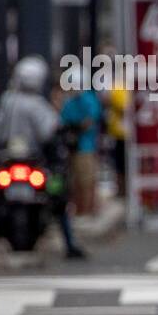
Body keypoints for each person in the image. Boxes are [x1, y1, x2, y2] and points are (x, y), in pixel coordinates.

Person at [0, 55, 87, 259]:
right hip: (22, 159)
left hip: (14, 159)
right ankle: (69, 241)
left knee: (55, 190)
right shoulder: (35, 104)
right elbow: (51, 130)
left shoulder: (8, 101)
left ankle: (69, 240)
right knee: (58, 193)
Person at [59, 75, 102, 217]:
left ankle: (87, 210)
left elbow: (90, 121)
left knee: (86, 180)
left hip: (85, 147)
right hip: (72, 147)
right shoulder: (70, 101)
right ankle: (79, 210)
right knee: (74, 181)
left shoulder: (88, 99)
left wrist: (76, 127)